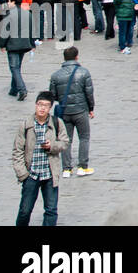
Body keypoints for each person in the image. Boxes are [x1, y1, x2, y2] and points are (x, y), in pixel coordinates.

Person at [12, 91, 70, 227]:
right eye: (40, 104)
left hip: (49, 174)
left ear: (50, 108)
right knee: (25, 210)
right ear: (35, 105)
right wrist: (22, 174)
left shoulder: (57, 123)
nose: (42, 108)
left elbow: (65, 142)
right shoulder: (26, 125)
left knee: (51, 210)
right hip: (31, 175)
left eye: (46, 105)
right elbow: (17, 150)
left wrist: (52, 146)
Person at [47, 46, 95, 179]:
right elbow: (89, 93)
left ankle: (66, 169)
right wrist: (91, 108)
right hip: (81, 110)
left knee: (66, 140)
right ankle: (82, 167)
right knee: (84, 138)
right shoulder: (84, 73)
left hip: (65, 112)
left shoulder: (56, 75)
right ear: (76, 57)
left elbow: (53, 95)